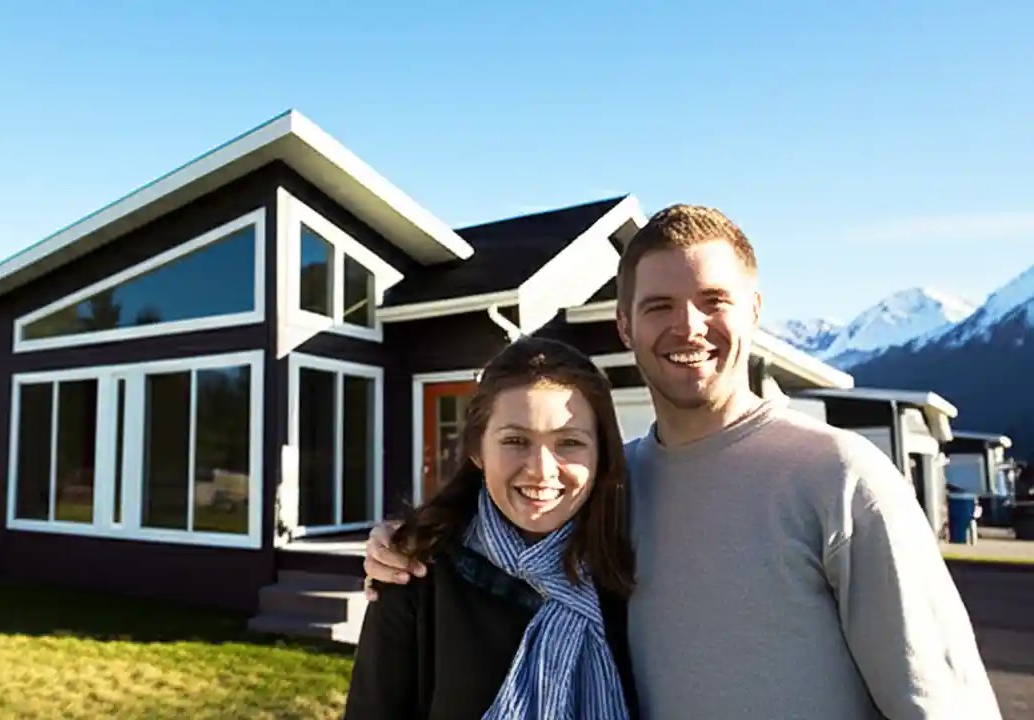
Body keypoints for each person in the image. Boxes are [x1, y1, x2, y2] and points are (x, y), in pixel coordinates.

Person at [362, 205, 1001, 718]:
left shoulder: (840, 477)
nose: (688, 326)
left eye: (713, 299)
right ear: (624, 326)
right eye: (659, 306)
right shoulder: (611, 488)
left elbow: (940, 700)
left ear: (753, 310)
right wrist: (400, 544)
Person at [344, 336, 638, 719]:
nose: (541, 470)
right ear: (476, 451)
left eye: (569, 442)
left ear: (602, 455)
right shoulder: (414, 575)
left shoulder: (629, 567)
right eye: (516, 440)